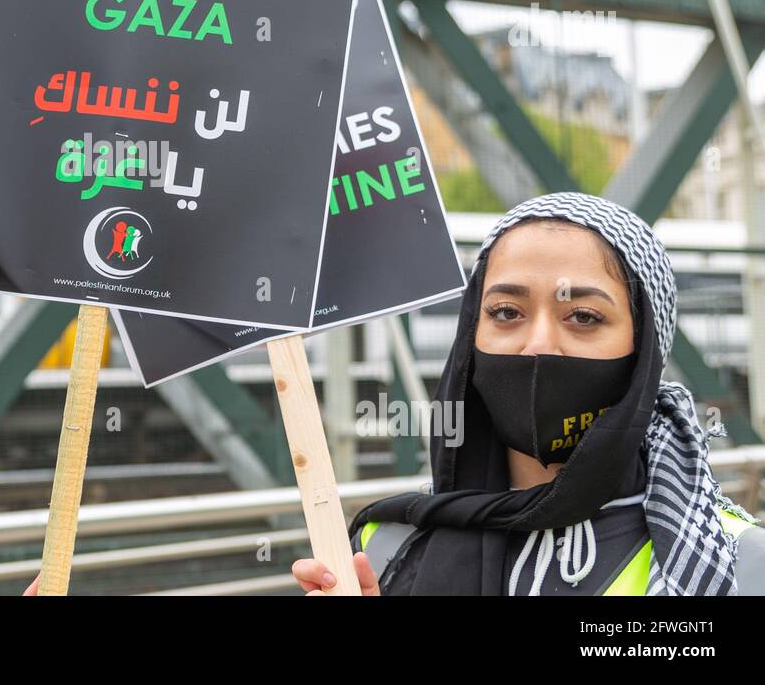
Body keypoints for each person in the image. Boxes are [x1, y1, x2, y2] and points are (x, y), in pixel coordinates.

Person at [293, 192, 765, 596]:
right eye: (505, 312)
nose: (537, 345)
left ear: (645, 350)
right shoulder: (383, 545)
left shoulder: (740, 564)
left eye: (583, 316)